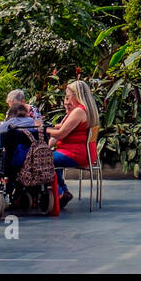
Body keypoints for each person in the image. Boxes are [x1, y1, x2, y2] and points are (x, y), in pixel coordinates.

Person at [45, 80, 99, 210]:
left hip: (75, 154)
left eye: (68, 96)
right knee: (49, 158)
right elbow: (62, 128)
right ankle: (63, 192)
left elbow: (61, 133)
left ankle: (60, 193)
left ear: (77, 95)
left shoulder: (79, 111)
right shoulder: (85, 110)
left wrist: (43, 129)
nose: (66, 100)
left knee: (44, 161)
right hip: (83, 152)